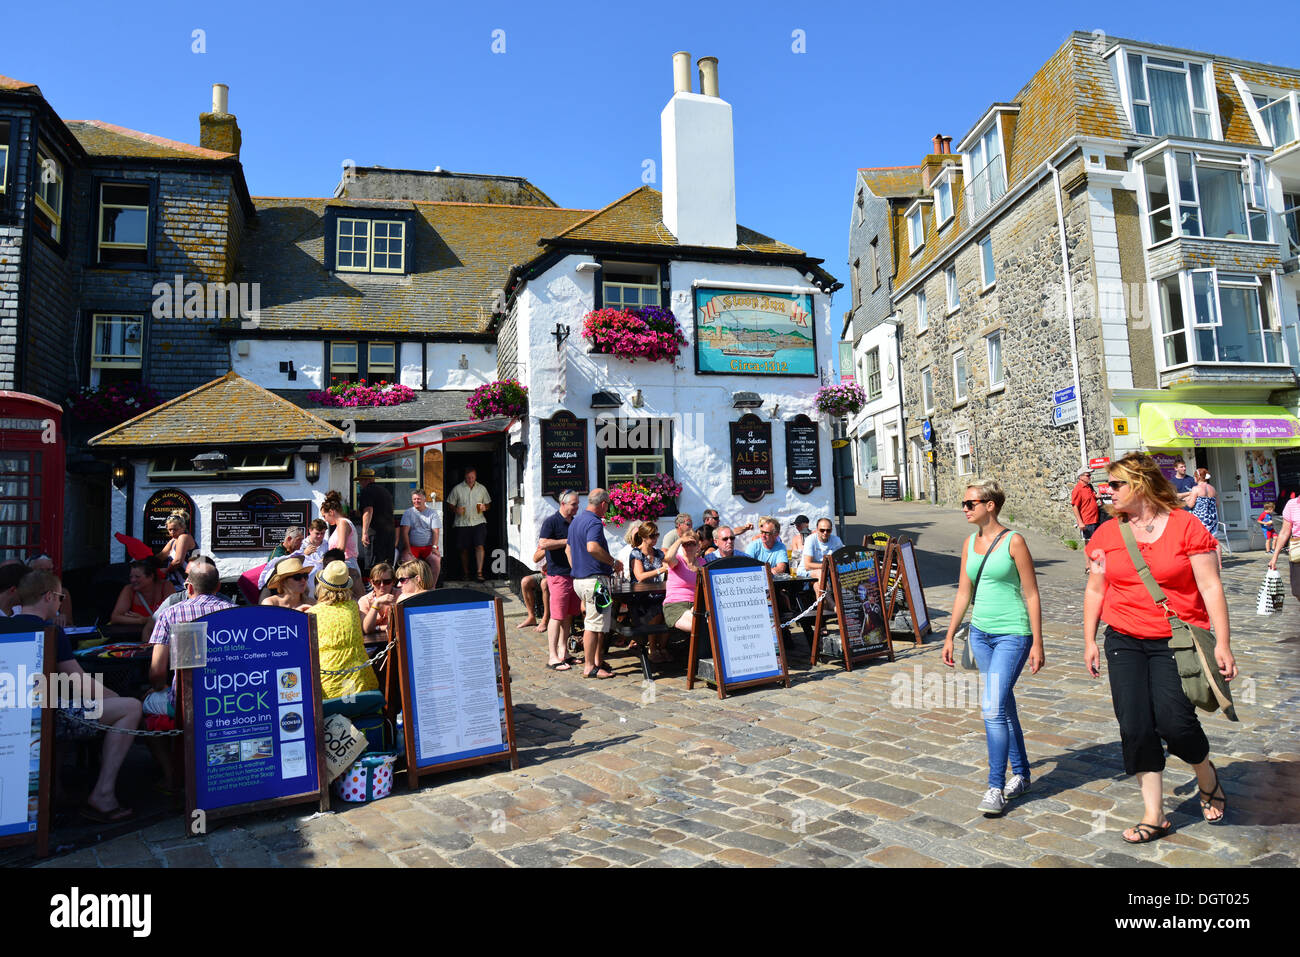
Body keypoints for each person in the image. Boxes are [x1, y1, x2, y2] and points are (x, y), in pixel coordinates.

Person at [1083, 452, 1234, 844]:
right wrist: (1089, 640)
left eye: (1116, 484)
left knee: (1175, 723)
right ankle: (1154, 813)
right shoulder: (1106, 534)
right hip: (1124, 639)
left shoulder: (1186, 527)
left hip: (1177, 638)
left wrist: (1223, 643)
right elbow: (1096, 588)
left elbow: (1210, 586)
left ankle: (1205, 772)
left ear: (1141, 484)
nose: (1108, 491)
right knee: (1134, 725)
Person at [941, 480, 1045, 817]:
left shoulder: (1015, 541)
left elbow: (1031, 593)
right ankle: (1023, 774)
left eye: (971, 503)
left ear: (991, 505)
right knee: (1002, 704)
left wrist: (1038, 641)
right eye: (964, 503)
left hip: (1012, 635)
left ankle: (995, 786)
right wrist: (949, 635)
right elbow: (962, 593)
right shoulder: (969, 543)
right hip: (981, 635)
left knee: (991, 708)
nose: (965, 508)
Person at [17, 570, 143, 822]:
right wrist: (114, 697)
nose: (61, 603)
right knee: (130, 707)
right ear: (49, 597)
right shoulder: (51, 631)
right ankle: (103, 795)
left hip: (14, 720)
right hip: (47, 718)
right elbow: (80, 683)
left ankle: (55, 790)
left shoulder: (6, 626)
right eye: (60, 597)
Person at [147, 557, 233, 790]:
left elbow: (156, 673)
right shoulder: (234, 612)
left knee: (143, 707)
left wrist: (160, 687)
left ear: (190, 587)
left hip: (187, 701)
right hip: (228, 699)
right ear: (217, 587)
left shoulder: (171, 614)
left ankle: (171, 776)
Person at [566, 489, 623, 679]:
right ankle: (590, 666)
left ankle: (598, 662)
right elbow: (592, 547)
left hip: (581, 580)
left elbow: (569, 549)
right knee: (593, 624)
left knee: (599, 624)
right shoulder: (594, 522)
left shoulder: (576, 522)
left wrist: (578, 568)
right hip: (595, 581)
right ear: (604, 504)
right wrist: (613, 563)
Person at [308, 561, 379, 700]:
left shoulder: (312, 613)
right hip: (360, 679)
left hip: (328, 682)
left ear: (321, 586)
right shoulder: (353, 606)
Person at [538, 491, 580, 670]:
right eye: (574, 504)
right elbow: (544, 543)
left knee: (568, 615)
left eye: (577, 504)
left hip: (573, 574)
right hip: (558, 575)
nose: (577, 507)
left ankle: (564, 652)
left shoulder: (574, 521)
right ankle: (553, 656)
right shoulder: (551, 521)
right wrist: (566, 541)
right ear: (563, 504)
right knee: (556, 616)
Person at [446, 467, 492, 581]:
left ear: (475, 476)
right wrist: (456, 509)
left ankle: (479, 573)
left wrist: (484, 507)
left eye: (472, 477)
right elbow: (449, 505)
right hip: (462, 523)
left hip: (479, 521)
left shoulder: (482, 488)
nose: (470, 479)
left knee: (480, 546)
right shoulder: (457, 489)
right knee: (463, 549)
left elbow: (488, 504)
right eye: (468, 477)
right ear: (465, 477)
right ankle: (466, 573)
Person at [662, 528, 706, 640]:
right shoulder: (678, 560)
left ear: (698, 546)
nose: (689, 547)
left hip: (697, 604)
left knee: (709, 623)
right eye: (686, 544)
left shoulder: (702, 563)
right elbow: (667, 558)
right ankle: (695, 656)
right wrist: (680, 540)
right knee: (699, 625)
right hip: (676, 605)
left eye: (692, 544)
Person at [109, 558, 171, 627]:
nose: (133, 580)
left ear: (150, 576)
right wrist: (140, 621)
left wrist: (146, 620)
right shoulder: (129, 589)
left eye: (137, 577)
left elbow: (172, 614)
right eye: (131, 577)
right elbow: (115, 617)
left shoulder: (166, 586)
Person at [398, 488, 442, 584]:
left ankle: (432, 587)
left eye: (419, 499)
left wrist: (434, 547)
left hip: (428, 547)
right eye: (414, 499)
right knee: (406, 562)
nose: (416, 501)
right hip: (413, 547)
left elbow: (435, 532)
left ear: (424, 499)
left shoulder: (432, 513)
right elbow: (404, 532)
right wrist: (408, 549)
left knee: (436, 560)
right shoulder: (408, 513)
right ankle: (408, 588)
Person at [357, 468, 395, 575]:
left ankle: (376, 588)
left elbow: (368, 510)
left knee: (375, 566)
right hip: (389, 532)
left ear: (365, 480)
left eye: (360, 481)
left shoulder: (367, 491)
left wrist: (364, 532)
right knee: (387, 565)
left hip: (375, 532)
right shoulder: (385, 491)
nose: (360, 483)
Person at [1267, 494, 1300, 600]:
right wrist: (1274, 557)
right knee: (1297, 590)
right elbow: (1285, 532)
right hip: (1298, 550)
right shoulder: (1292, 504)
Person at [801, 519, 844, 596]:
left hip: (827, 574)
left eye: (828, 530)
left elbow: (843, 558)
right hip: (806, 572)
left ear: (831, 530)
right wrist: (828, 565)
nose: (825, 533)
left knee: (817, 585)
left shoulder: (836, 540)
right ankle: (833, 603)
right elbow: (807, 565)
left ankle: (825, 607)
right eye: (822, 530)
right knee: (820, 573)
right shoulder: (810, 540)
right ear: (817, 530)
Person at [1071, 465, 1101, 571]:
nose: (1090, 477)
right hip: (1087, 520)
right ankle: (1088, 566)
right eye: (1088, 475)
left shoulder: (1089, 487)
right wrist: (1080, 522)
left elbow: (1092, 498)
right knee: (1088, 543)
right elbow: (1075, 506)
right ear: (1081, 477)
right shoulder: (1078, 489)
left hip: (1095, 519)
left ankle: (1095, 563)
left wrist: (1097, 497)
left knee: (1096, 542)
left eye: (1090, 475)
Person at [158, 511, 197, 589]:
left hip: (186, 584)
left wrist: (166, 570)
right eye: (170, 530)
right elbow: (160, 557)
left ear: (183, 528)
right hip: (176, 583)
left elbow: (178, 561)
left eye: (175, 529)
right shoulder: (173, 541)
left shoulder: (184, 537)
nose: (172, 532)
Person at [358, 562, 398, 633]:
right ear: (371, 583)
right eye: (377, 582)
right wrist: (376, 603)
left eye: (387, 582)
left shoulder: (400, 596)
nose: (382, 585)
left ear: (393, 581)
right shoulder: (364, 600)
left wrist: (378, 628)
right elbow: (366, 629)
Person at [1182, 469, 1219, 536]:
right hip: (1212, 521)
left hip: (1201, 520)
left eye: (1194, 476)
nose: (1193, 478)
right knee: (1213, 540)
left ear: (1198, 477)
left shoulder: (1196, 488)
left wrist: (1186, 500)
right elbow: (1217, 504)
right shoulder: (1213, 488)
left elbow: (1190, 505)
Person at [519, 562, 550, 632]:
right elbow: (536, 558)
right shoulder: (545, 550)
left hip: (558, 574)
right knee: (525, 581)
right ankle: (531, 617)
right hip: (545, 574)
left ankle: (545, 620)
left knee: (544, 583)